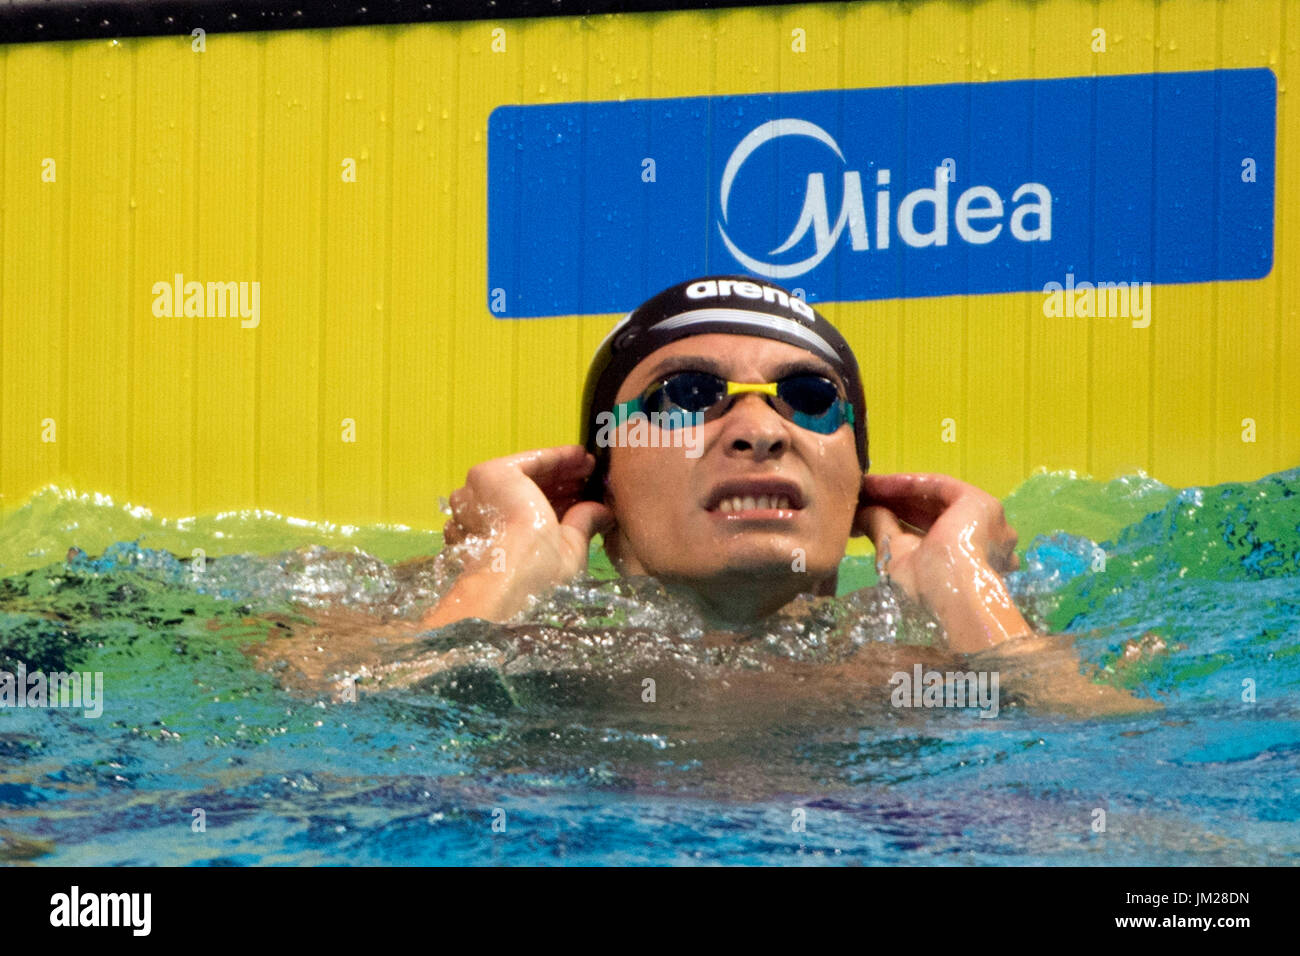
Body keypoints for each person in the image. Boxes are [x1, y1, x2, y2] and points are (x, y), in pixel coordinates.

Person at [421, 275, 1032, 655]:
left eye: (811, 397)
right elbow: (368, 727)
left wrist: (968, 597)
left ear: (858, 488)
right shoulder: (529, 657)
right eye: (686, 395)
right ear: (598, 485)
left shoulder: (915, 678)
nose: (761, 433)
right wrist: (495, 581)